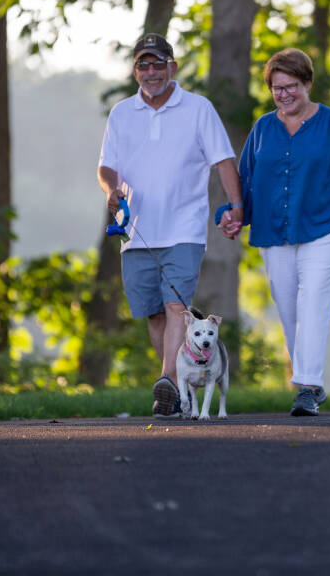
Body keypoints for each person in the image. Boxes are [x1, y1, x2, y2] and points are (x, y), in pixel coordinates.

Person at [219, 48, 330, 417]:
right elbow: (247, 181)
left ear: (307, 83)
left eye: (291, 86)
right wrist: (232, 215)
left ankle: (307, 387)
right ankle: (311, 381)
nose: (284, 94)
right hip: (274, 232)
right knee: (289, 311)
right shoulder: (263, 129)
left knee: (314, 301)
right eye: (277, 88)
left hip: (326, 227)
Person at [97, 32, 244, 418]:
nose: (151, 72)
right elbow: (106, 166)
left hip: (184, 228)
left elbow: (223, 160)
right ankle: (179, 392)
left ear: (172, 67)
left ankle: (167, 381)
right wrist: (111, 190)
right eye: (143, 65)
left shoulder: (198, 108)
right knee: (154, 313)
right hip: (136, 231)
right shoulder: (122, 113)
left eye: (158, 64)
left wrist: (237, 206)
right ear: (135, 71)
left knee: (176, 306)